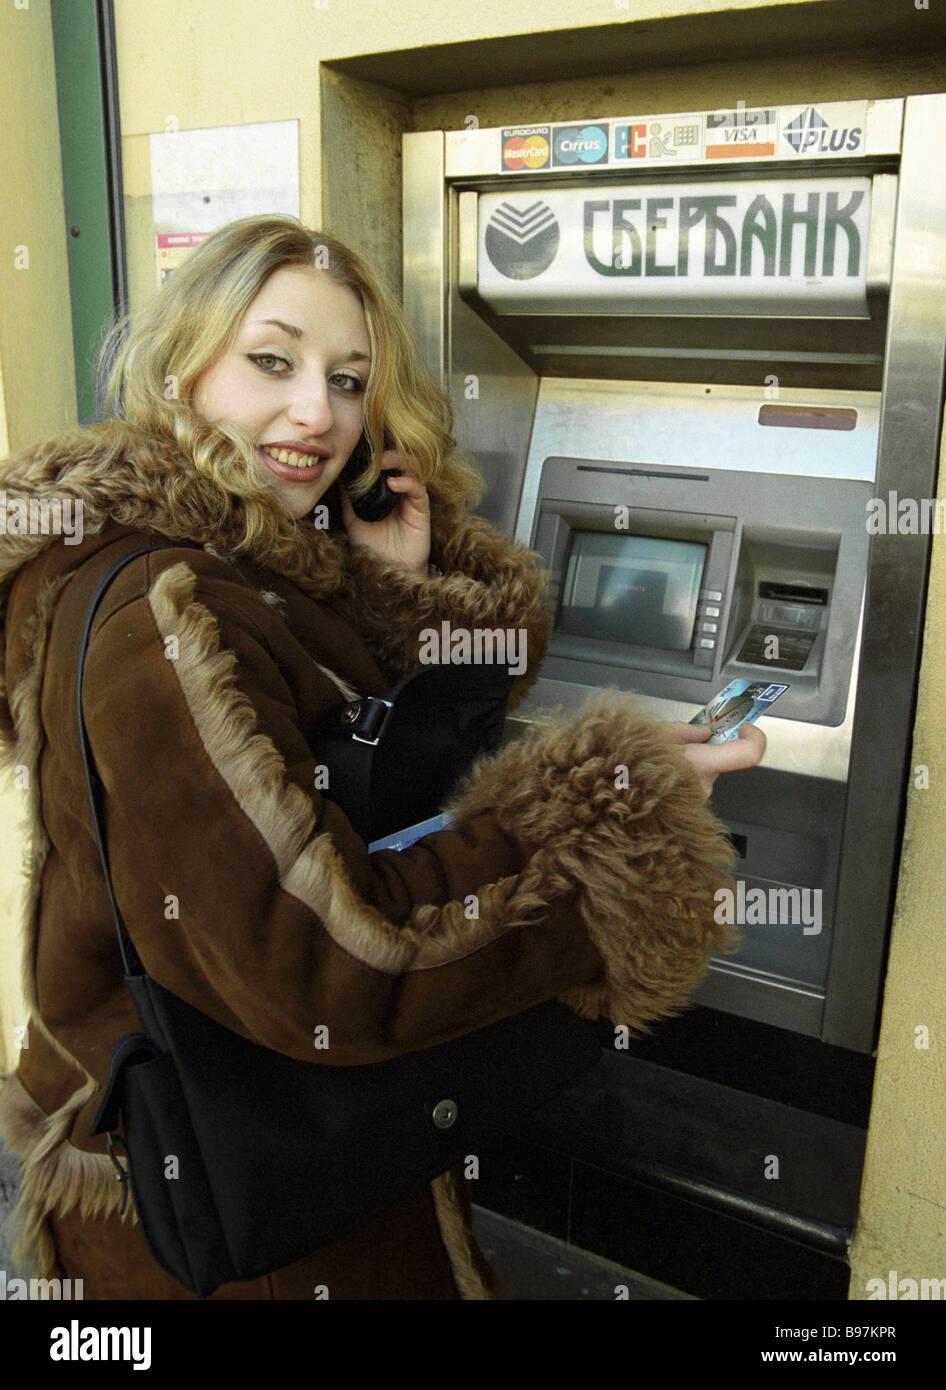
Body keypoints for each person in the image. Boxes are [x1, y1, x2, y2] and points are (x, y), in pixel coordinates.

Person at [0, 215, 764, 1300]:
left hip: (278, 1156)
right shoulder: (167, 613)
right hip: (212, 1215)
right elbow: (325, 962)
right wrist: (606, 820)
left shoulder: (244, 569)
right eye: (272, 361)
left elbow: (352, 794)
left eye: (348, 380)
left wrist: (389, 593)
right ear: (181, 365)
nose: (317, 413)